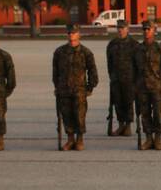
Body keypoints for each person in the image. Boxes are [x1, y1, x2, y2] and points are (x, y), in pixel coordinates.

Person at [53, 23, 99, 151]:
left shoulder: (86, 52)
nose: (71, 35)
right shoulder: (59, 52)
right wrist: (57, 87)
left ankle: (79, 140)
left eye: (73, 33)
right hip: (64, 89)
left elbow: (92, 71)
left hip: (79, 90)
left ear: (79, 34)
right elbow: (55, 72)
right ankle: (70, 139)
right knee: (66, 115)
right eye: (69, 33)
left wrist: (90, 87)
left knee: (79, 115)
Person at [132, 21, 161, 150]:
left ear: (153, 31)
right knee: (144, 114)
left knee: (158, 113)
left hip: (157, 87)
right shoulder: (137, 49)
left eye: (148, 29)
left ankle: (158, 138)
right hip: (142, 87)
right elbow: (133, 70)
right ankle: (148, 138)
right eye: (144, 29)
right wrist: (134, 87)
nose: (146, 32)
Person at [105, 19, 136, 135]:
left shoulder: (134, 44)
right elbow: (109, 63)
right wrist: (112, 76)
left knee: (128, 102)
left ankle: (128, 126)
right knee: (117, 102)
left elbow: (137, 63)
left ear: (127, 29)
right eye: (118, 28)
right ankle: (121, 125)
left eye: (122, 28)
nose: (120, 30)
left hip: (129, 79)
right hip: (116, 79)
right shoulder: (112, 44)